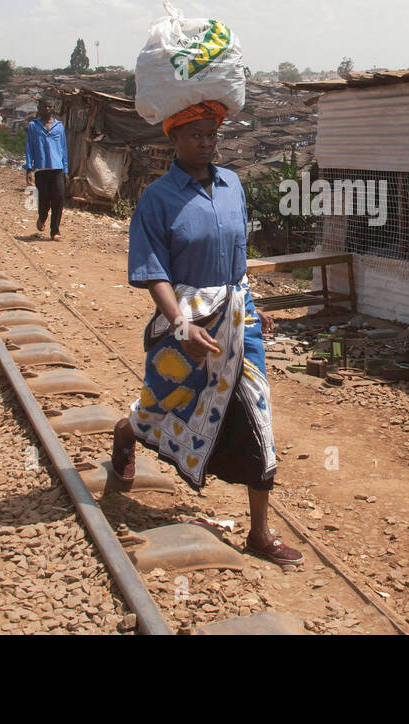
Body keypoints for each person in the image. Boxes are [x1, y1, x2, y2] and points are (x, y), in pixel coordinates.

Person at [110, 99, 303, 567]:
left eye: (211, 134)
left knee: (259, 414)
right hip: (185, 322)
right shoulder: (157, 198)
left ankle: (259, 532)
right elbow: (153, 270)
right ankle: (127, 430)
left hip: (239, 323)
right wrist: (181, 324)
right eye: (194, 134)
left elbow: (237, 258)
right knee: (169, 403)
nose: (205, 143)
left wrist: (254, 307)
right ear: (173, 138)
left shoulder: (233, 184)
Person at [23, 97, 67, 240]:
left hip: (57, 168)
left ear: (53, 108)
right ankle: (42, 217)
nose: (47, 109)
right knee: (44, 199)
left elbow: (63, 149)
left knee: (58, 198)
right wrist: (29, 168)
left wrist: (66, 169)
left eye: (50, 106)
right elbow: (29, 147)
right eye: (44, 107)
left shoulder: (59, 126)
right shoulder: (33, 126)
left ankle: (55, 231)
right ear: (39, 108)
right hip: (41, 169)